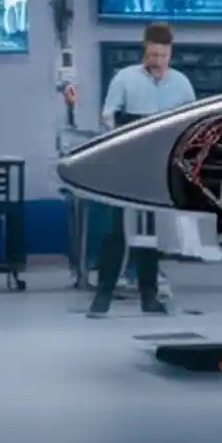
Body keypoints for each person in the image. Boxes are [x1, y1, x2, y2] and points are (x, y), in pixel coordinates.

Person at [88, 22, 197, 317]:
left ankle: (149, 297)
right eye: (151, 55)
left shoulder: (181, 84)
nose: (157, 62)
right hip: (128, 166)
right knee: (117, 231)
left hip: (159, 169)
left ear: (170, 54)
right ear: (144, 51)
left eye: (162, 56)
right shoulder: (125, 79)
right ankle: (102, 297)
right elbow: (108, 116)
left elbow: (192, 125)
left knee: (151, 233)